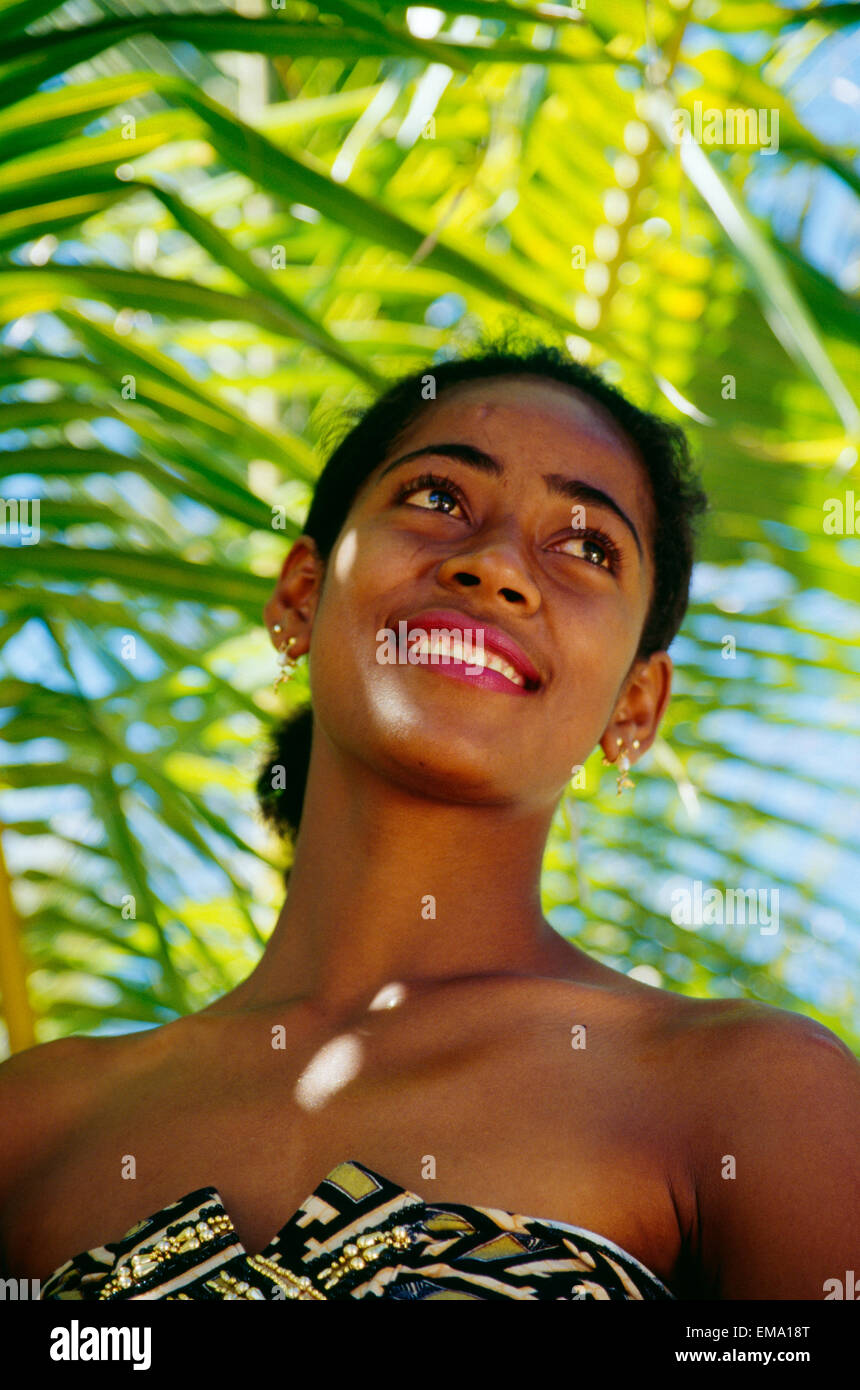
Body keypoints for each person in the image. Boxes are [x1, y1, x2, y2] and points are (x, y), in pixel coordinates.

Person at [0, 338, 857, 1301]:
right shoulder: (31, 1125)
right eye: (439, 498)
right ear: (302, 594)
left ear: (635, 707)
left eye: (586, 546)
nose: (494, 566)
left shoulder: (753, 1092)